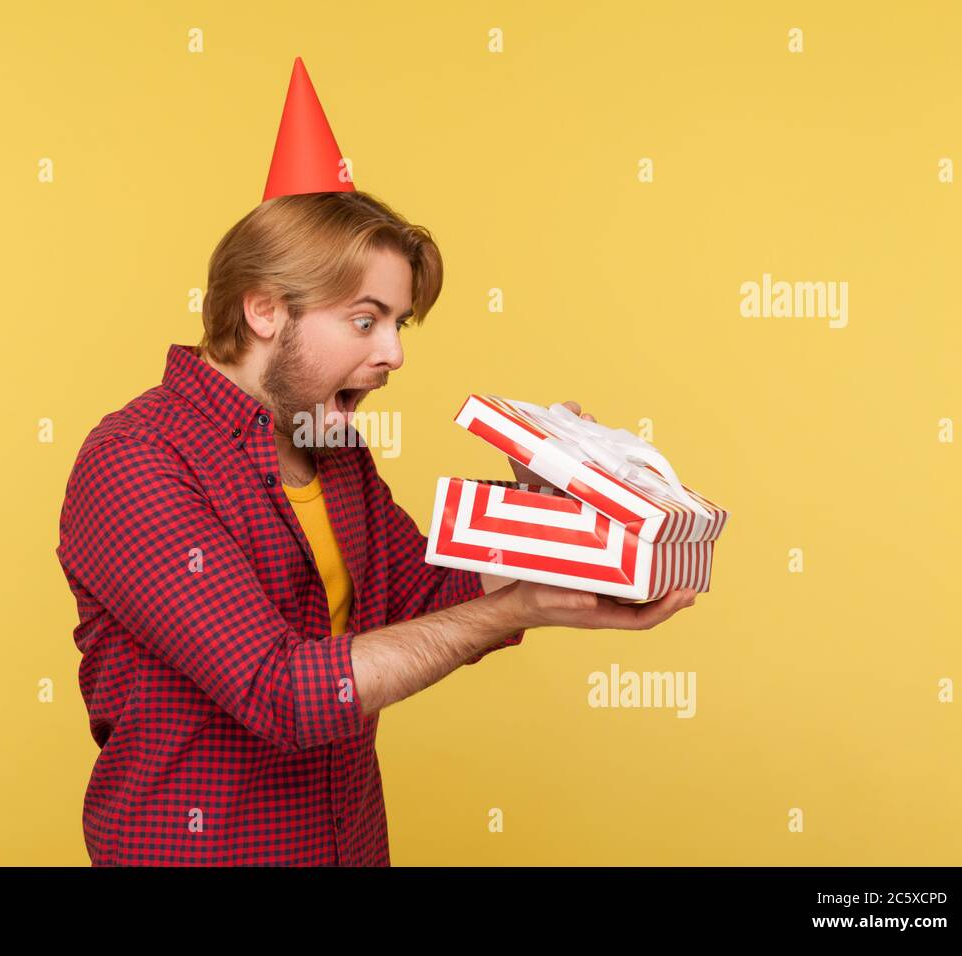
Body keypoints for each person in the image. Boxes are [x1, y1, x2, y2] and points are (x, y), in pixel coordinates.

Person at [54, 60, 697, 867]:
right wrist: (518, 606)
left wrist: (551, 508)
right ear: (263, 309)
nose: (392, 353)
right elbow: (282, 693)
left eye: (399, 325)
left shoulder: (331, 448)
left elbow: (425, 593)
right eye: (365, 321)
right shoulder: (138, 462)